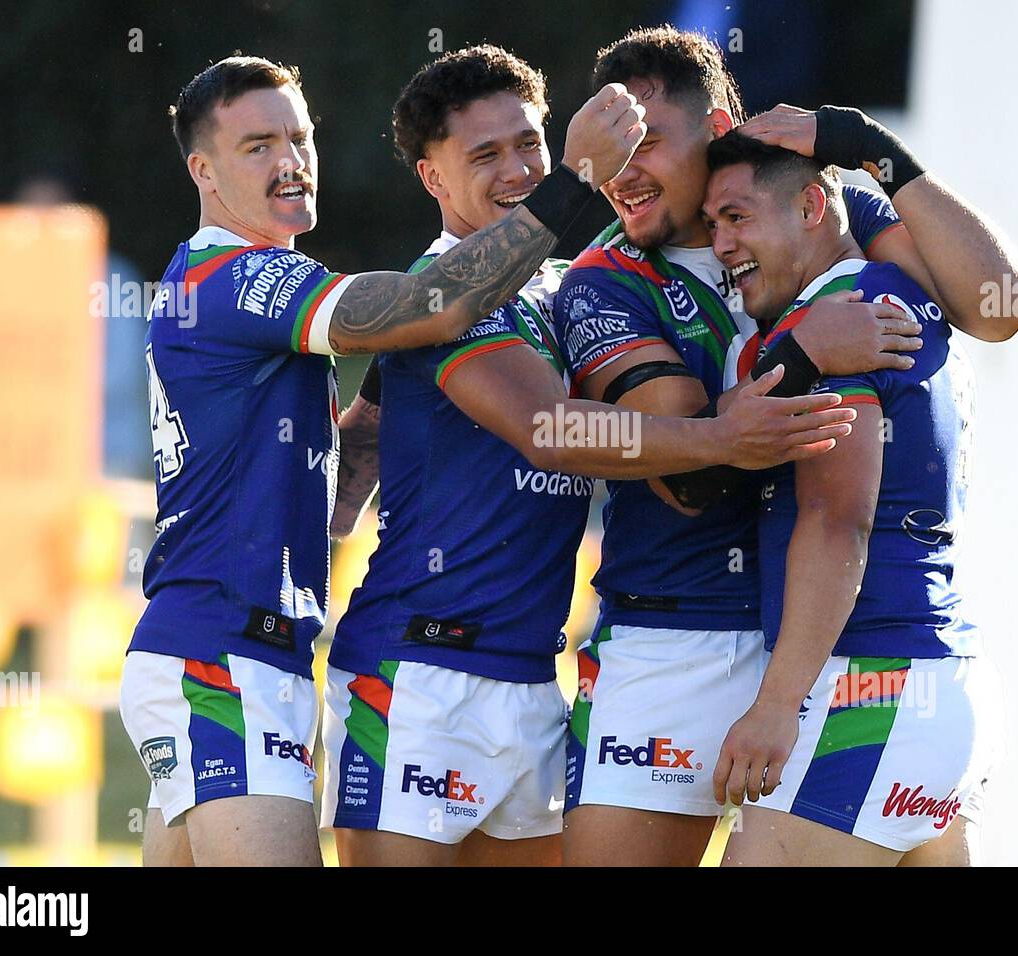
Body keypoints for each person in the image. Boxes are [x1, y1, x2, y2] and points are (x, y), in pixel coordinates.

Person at [320, 46, 859, 867]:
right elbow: (550, 430)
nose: (520, 170)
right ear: (433, 179)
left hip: (533, 677)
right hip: (418, 674)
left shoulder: (559, 280)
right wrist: (721, 437)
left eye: (531, 144)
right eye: (485, 155)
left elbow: (366, 424)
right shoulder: (443, 293)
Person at [119, 53, 650, 867]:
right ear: (204, 170)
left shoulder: (226, 280)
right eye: (257, 145)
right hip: (222, 656)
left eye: (298, 138)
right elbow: (429, 306)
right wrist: (573, 179)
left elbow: (337, 481)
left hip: (240, 650)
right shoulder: (240, 275)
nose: (290, 161)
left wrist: (397, 419)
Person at [554, 25, 1018, 867]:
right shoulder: (608, 277)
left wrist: (869, 144)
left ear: (722, 122)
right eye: (611, 143)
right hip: (710, 650)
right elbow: (693, 482)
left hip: (849, 665)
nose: (623, 166)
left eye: (649, 138)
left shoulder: (828, 222)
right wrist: (804, 355)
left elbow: (1000, 307)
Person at [704, 132, 1004, 866]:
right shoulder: (910, 289)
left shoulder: (842, 316)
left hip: (864, 690)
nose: (720, 245)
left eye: (737, 218)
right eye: (711, 226)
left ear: (812, 206)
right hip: (947, 682)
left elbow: (840, 521)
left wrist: (776, 707)